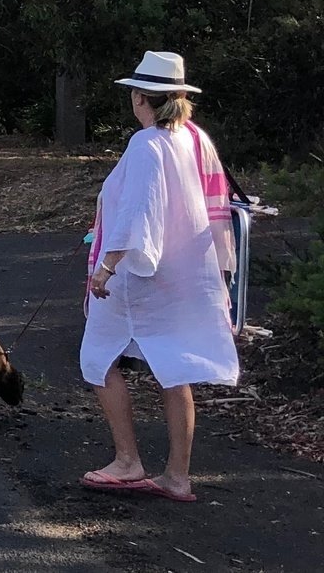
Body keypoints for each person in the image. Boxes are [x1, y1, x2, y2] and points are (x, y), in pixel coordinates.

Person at [80, 51, 239, 504]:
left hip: (138, 275)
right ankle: (177, 476)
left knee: (98, 359)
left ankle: (128, 461)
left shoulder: (146, 143)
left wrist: (106, 266)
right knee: (174, 368)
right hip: (187, 273)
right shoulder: (194, 138)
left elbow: (138, 213)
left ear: (139, 97)